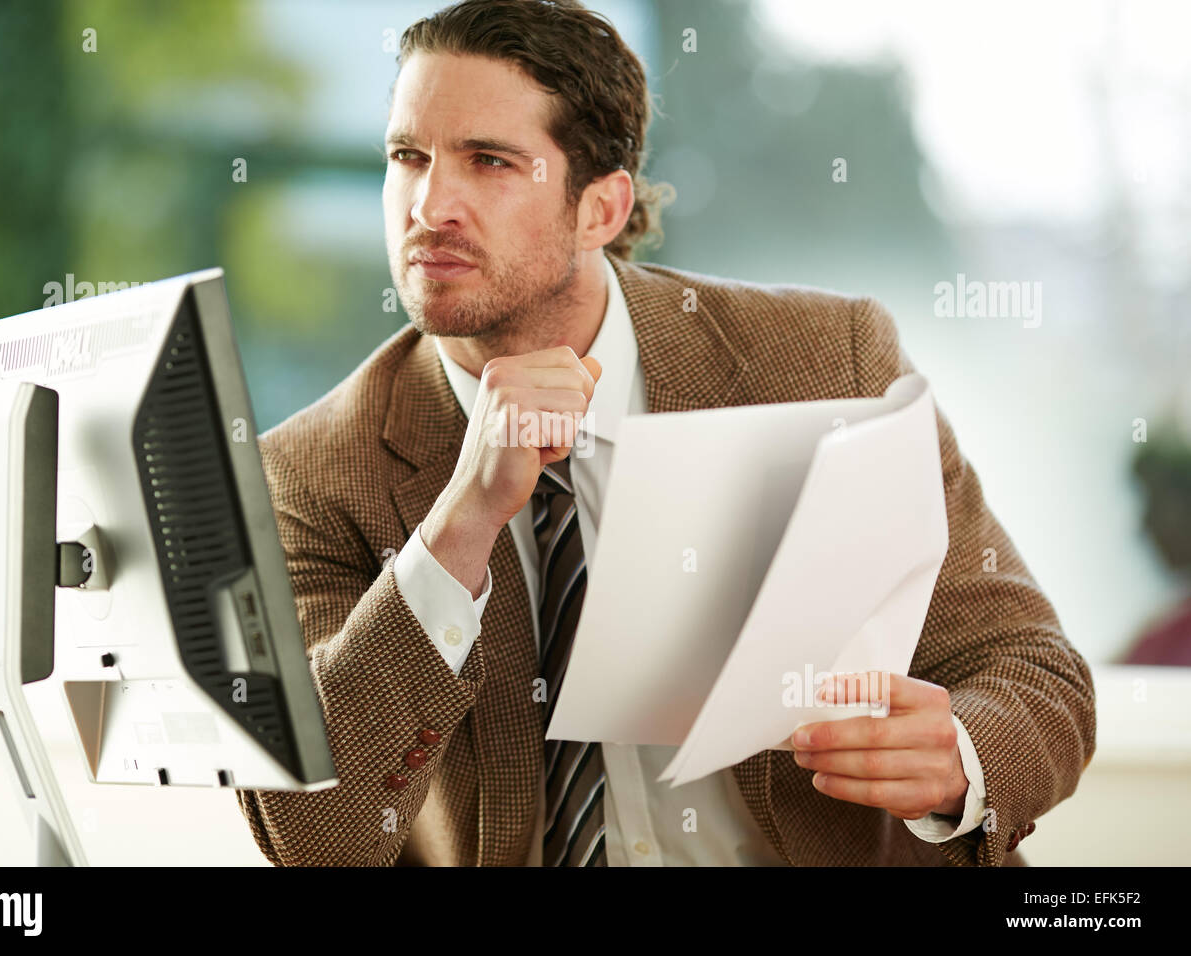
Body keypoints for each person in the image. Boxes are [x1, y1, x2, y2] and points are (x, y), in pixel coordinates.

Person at [236, 0, 1094, 866]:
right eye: (407, 156)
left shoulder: (827, 362)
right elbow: (312, 835)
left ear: (600, 210)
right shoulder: (308, 474)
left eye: (489, 161)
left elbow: (1034, 670)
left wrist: (960, 759)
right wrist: (459, 525)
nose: (430, 203)